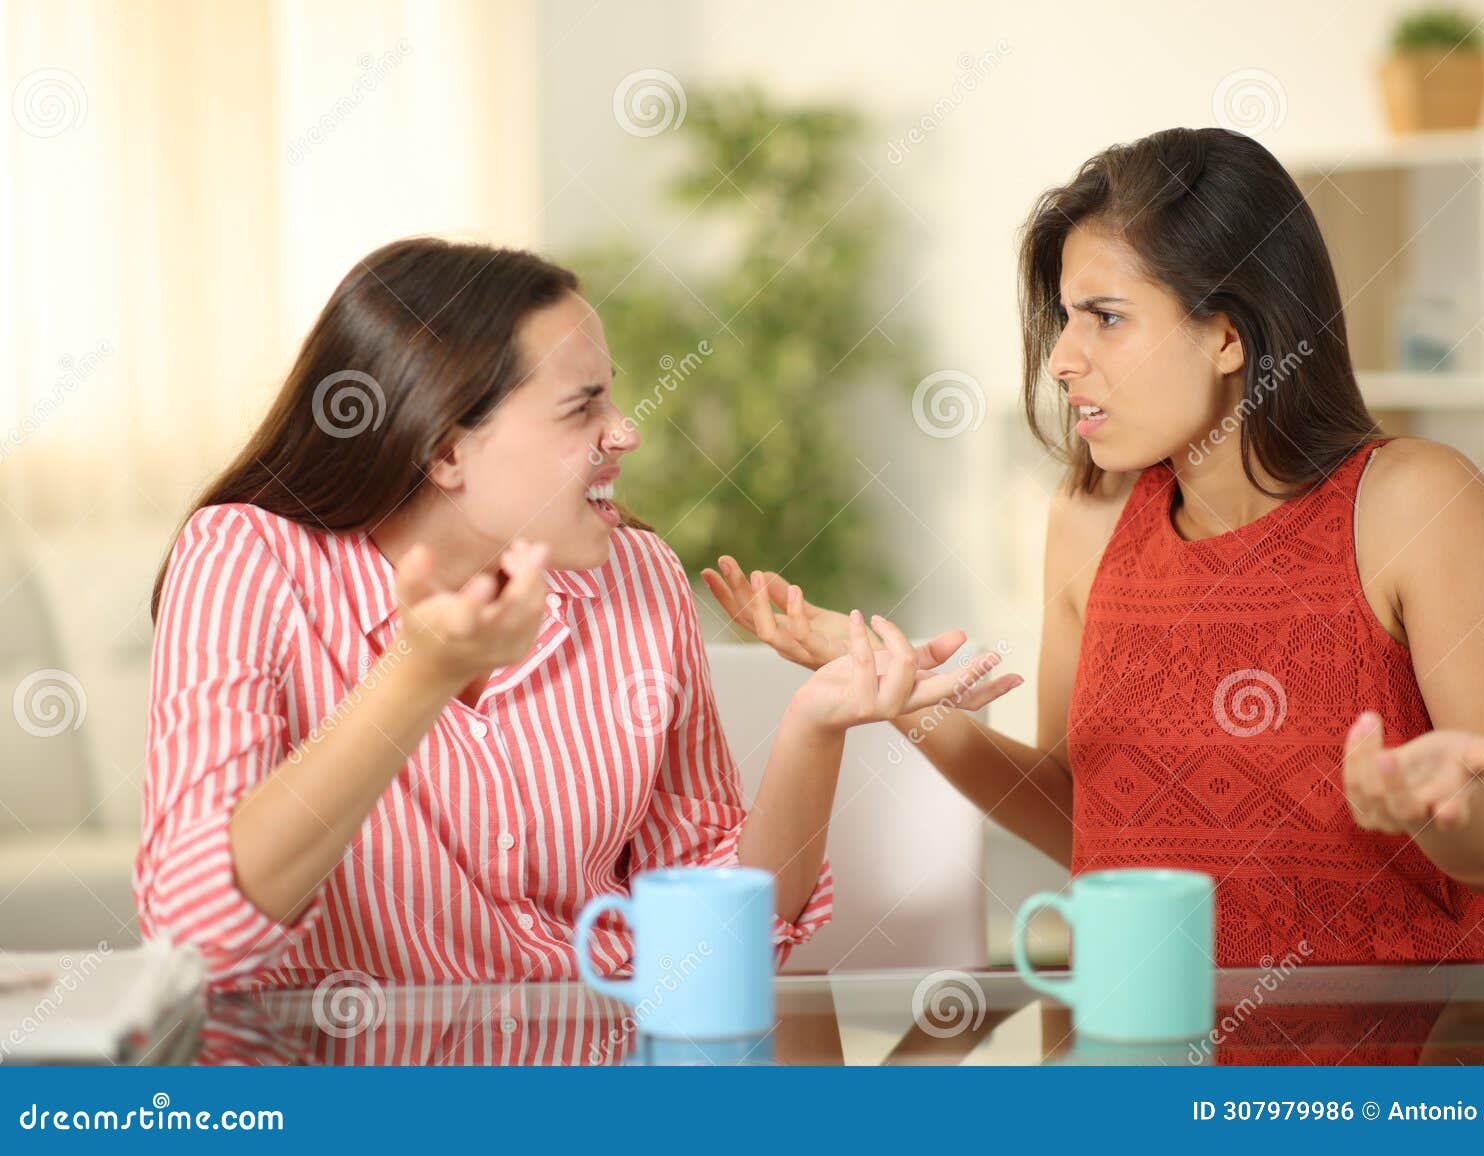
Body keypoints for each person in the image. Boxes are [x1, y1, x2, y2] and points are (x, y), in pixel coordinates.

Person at [706, 127, 1484, 967]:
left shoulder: (1418, 504)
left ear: (1229, 335)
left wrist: (1432, 808)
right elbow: (1086, 817)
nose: (1064, 360)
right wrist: (903, 700)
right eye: (1066, 320)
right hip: (1141, 1050)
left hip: (1401, 1066)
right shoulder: (1087, 520)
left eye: (1107, 319)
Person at [138, 237, 1018, 987]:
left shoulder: (636, 576)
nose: (625, 431)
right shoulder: (246, 560)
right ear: (445, 448)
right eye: (581, 405)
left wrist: (814, 729)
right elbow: (197, 933)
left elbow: (721, 954)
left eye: (610, 393)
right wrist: (420, 675)